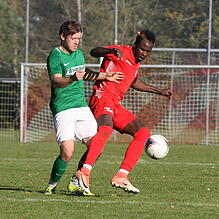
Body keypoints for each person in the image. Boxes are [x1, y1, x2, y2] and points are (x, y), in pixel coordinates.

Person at [74, 29, 172, 194]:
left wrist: (158, 91)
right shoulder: (121, 51)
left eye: (148, 51)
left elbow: (134, 82)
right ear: (135, 45)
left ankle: (121, 176)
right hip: (102, 98)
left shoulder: (135, 62)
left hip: (115, 105)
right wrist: (109, 51)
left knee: (142, 133)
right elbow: (94, 51)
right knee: (105, 130)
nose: (144, 53)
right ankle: (84, 173)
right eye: (142, 49)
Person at [44, 20, 123, 195]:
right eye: (73, 38)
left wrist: (105, 76)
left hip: (81, 106)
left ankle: (77, 180)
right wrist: (72, 78)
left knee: (96, 146)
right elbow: (56, 80)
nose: (76, 42)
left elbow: (83, 72)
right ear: (63, 37)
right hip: (63, 107)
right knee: (67, 153)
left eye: (79, 38)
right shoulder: (55, 55)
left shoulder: (78, 54)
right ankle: (51, 184)